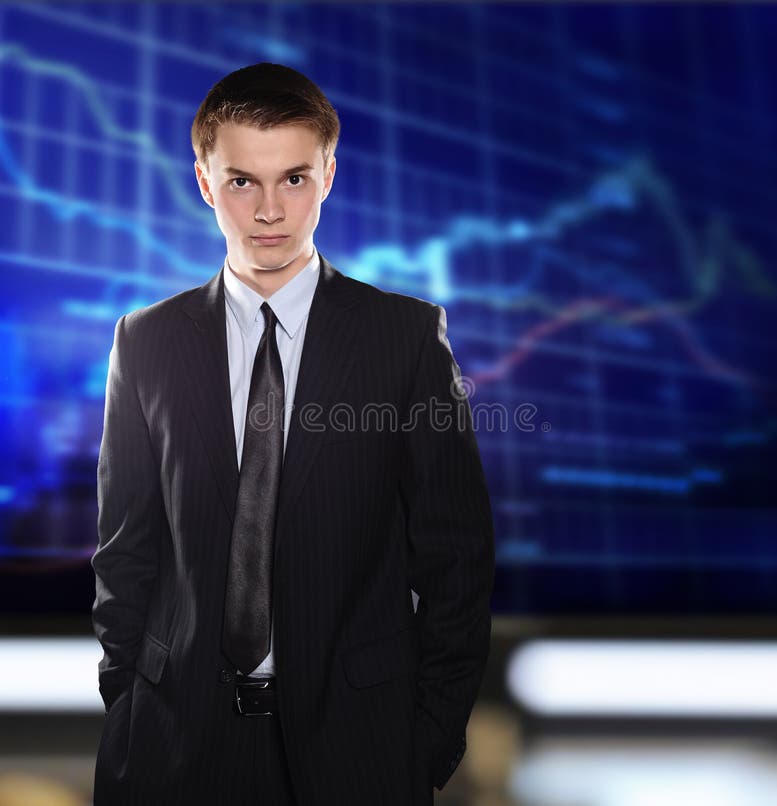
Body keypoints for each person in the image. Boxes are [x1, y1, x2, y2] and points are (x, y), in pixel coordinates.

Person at [90, 62, 494, 806]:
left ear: (329, 175)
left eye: (295, 179)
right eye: (242, 181)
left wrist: (425, 740)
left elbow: (456, 558)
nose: (270, 210)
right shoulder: (144, 341)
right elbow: (127, 550)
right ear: (206, 183)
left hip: (360, 747)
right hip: (174, 748)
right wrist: (130, 703)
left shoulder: (403, 338)